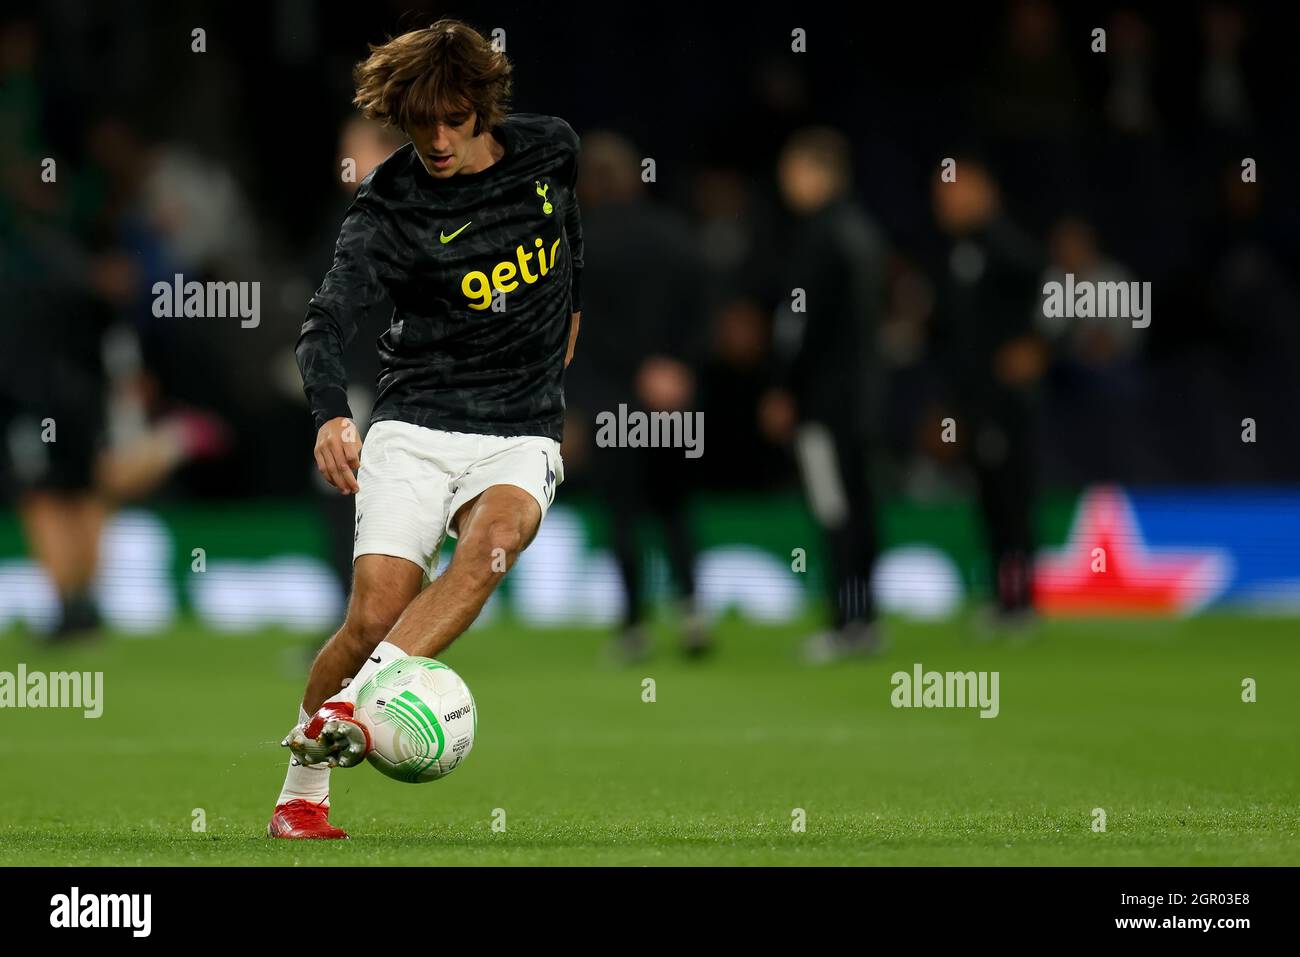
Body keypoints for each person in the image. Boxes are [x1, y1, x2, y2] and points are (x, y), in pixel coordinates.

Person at [269, 19, 583, 839]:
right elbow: (322, 325)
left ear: (484, 106)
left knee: (493, 542)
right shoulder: (390, 207)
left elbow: (569, 244)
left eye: (453, 118)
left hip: (520, 426)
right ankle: (303, 786)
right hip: (416, 419)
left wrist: (568, 321)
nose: (437, 139)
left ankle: (344, 707)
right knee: (373, 617)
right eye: (419, 121)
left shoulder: (553, 150)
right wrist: (332, 411)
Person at [761, 128, 887, 663]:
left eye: (794, 172)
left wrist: (784, 387)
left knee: (835, 509)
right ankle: (865, 618)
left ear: (818, 174)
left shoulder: (817, 238)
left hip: (824, 402)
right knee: (859, 505)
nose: (787, 183)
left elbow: (799, 324)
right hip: (861, 396)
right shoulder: (861, 232)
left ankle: (848, 623)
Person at [930, 157, 1044, 624]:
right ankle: (1003, 595)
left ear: (984, 192)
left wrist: (1038, 344)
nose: (946, 204)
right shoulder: (957, 253)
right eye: (940, 196)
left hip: (1004, 402)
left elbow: (1051, 297)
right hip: (973, 400)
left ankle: (1020, 602)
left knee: (1010, 497)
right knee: (988, 497)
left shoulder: (1009, 247)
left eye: (955, 192)